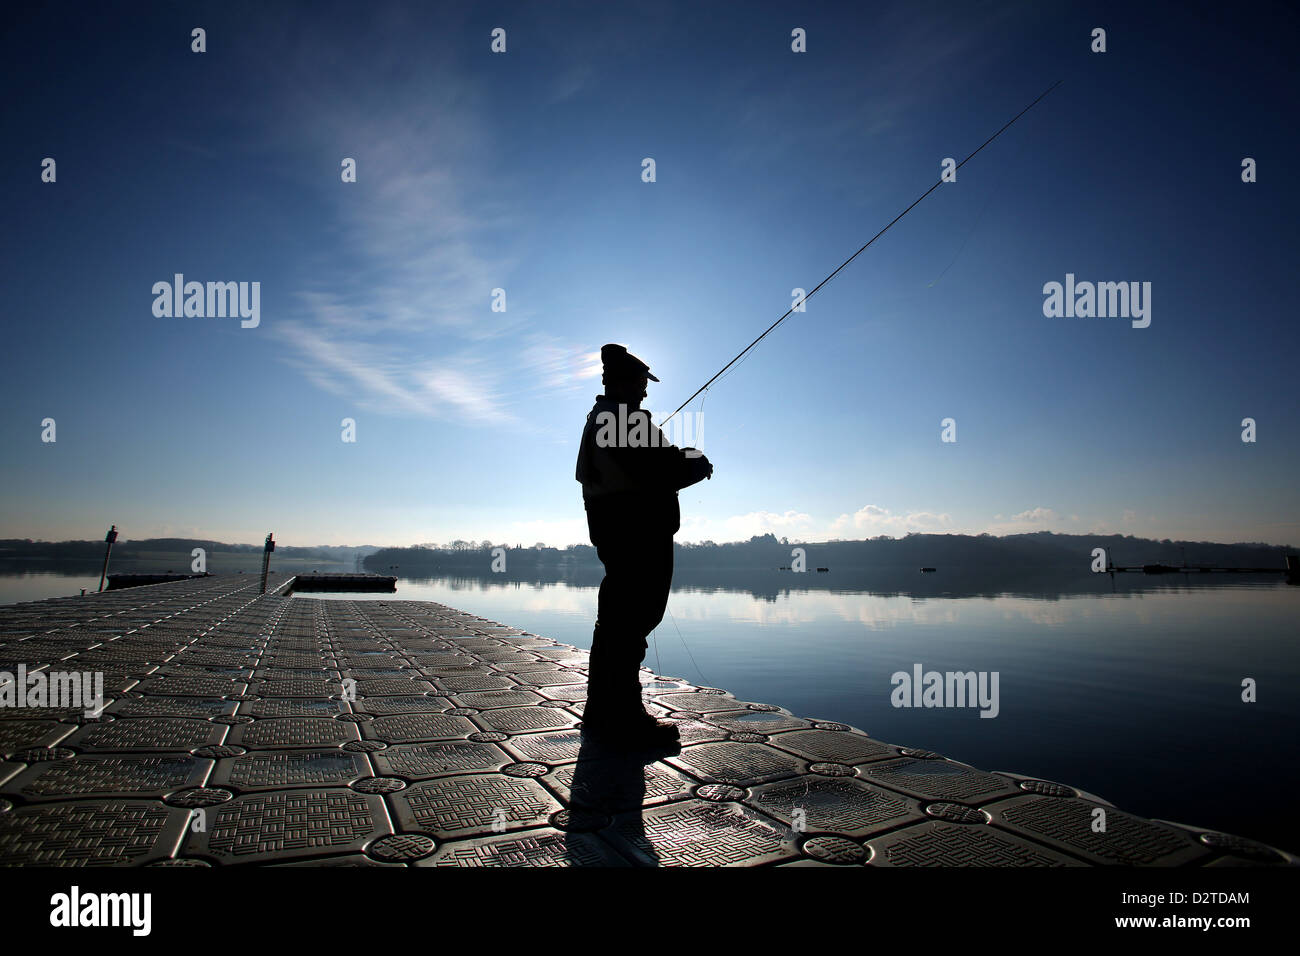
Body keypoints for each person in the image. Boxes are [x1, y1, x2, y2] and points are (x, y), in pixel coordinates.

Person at [575, 344, 713, 747]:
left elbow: (657, 460)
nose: (646, 391)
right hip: (636, 533)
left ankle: (605, 713)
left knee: (620, 622)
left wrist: (684, 458)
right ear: (624, 380)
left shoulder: (608, 418)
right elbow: (655, 472)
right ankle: (622, 719)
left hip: (621, 532)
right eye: (641, 382)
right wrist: (697, 464)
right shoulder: (620, 419)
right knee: (630, 623)